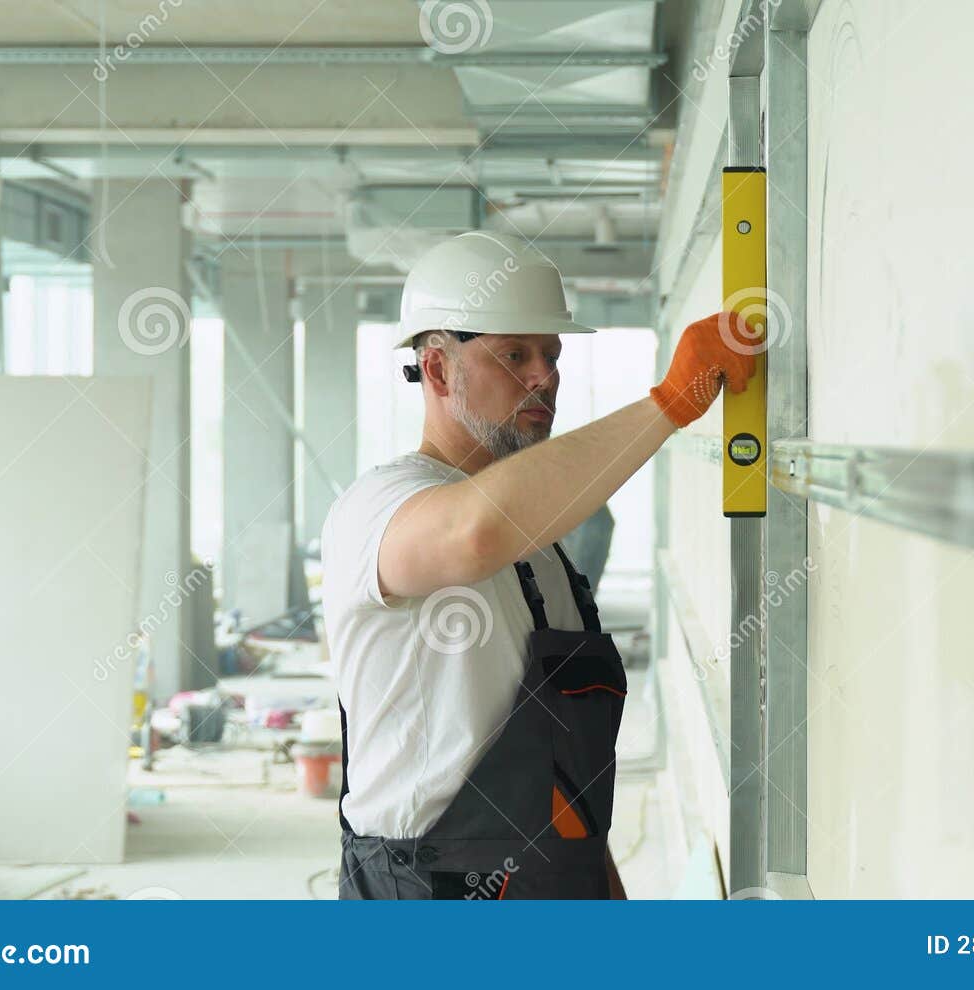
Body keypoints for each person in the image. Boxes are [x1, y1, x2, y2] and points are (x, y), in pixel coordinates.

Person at [321, 231, 754, 899]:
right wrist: (667, 406)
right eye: (514, 354)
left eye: (551, 354)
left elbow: (566, 786)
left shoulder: (545, 555)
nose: (544, 376)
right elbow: (473, 532)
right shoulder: (378, 508)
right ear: (436, 369)